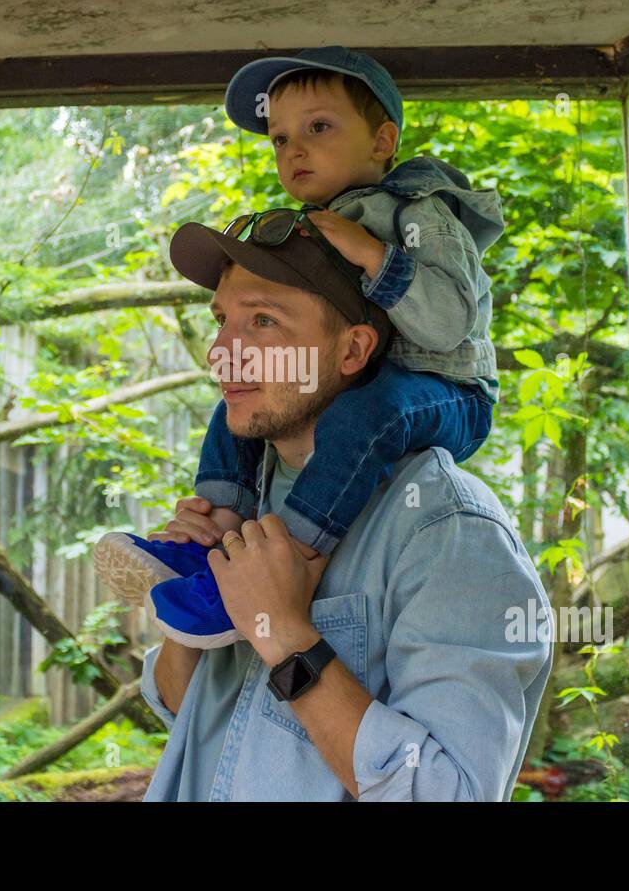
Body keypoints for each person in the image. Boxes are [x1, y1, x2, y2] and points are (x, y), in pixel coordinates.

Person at [93, 45, 507, 649]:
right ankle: (214, 544)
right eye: (280, 139)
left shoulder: (420, 216)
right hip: (379, 390)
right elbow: (183, 711)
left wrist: (373, 257)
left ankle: (288, 555)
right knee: (232, 407)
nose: (294, 151)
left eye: (319, 127)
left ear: (383, 140)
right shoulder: (325, 219)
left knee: (372, 411)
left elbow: (447, 328)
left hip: (451, 391)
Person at [135, 220, 552, 801]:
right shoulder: (242, 500)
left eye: (262, 321)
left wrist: (285, 635)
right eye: (222, 322)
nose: (221, 352)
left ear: (353, 348)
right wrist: (199, 589)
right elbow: (185, 707)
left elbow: (450, 793)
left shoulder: (449, 531)